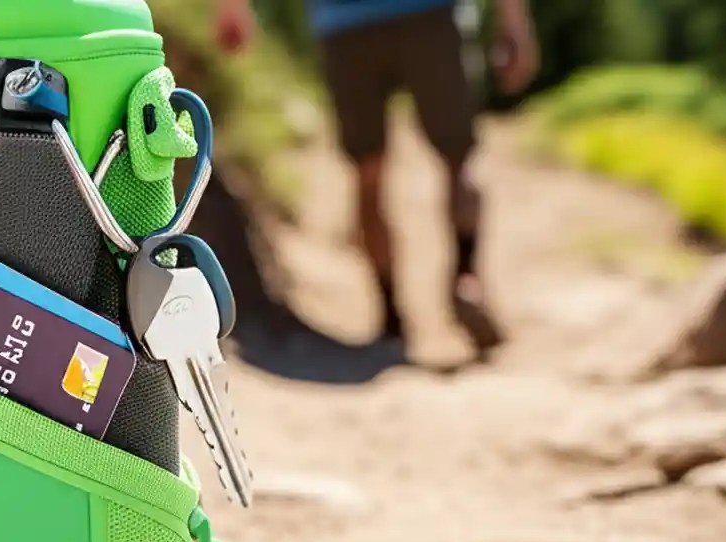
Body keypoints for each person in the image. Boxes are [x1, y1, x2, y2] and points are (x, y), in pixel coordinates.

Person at [214, 0, 539, 355]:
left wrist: (232, 9)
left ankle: (391, 316)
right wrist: (514, 24)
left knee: (368, 177)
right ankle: (466, 275)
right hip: (430, 17)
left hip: (344, 26)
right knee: (458, 161)